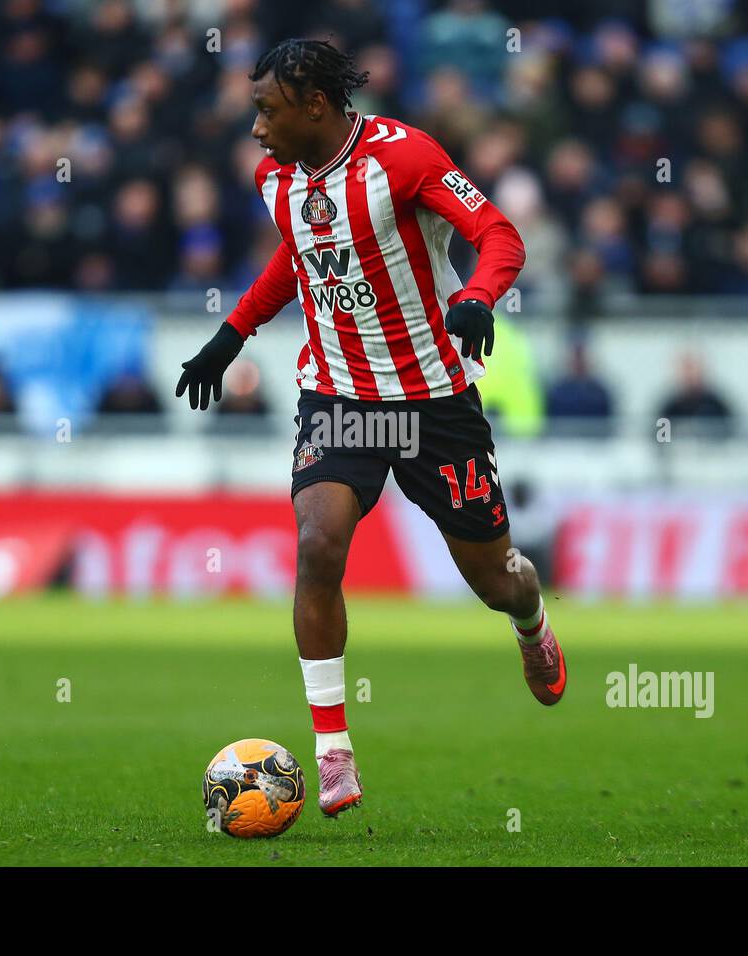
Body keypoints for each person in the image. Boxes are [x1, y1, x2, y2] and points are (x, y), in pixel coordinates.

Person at [173, 39, 565, 817]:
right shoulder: (273, 178)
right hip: (338, 398)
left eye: (266, 111)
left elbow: (501, 236)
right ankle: (332, 754)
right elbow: (303, 254)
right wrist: (234, 333)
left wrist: (479, 296)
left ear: (315, 105)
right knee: (318, 544)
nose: (255, 130)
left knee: (495, 579)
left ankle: (532, 620)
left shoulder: (405, 157)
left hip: (433, 404)